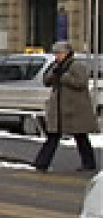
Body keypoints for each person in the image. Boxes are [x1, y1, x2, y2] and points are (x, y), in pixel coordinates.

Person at [33, 40, 99, 172]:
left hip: (75, 109)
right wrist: (53, 73)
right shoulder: (56, 65)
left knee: (80, 137)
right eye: (55, 53)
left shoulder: (76, 66)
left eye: (59, 53)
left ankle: (89, 163)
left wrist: (64, 76)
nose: (57, 56)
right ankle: (41, 163)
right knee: (53, 136)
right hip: (59, 109)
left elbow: (81, 83)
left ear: (67, 53)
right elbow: (47, 81)